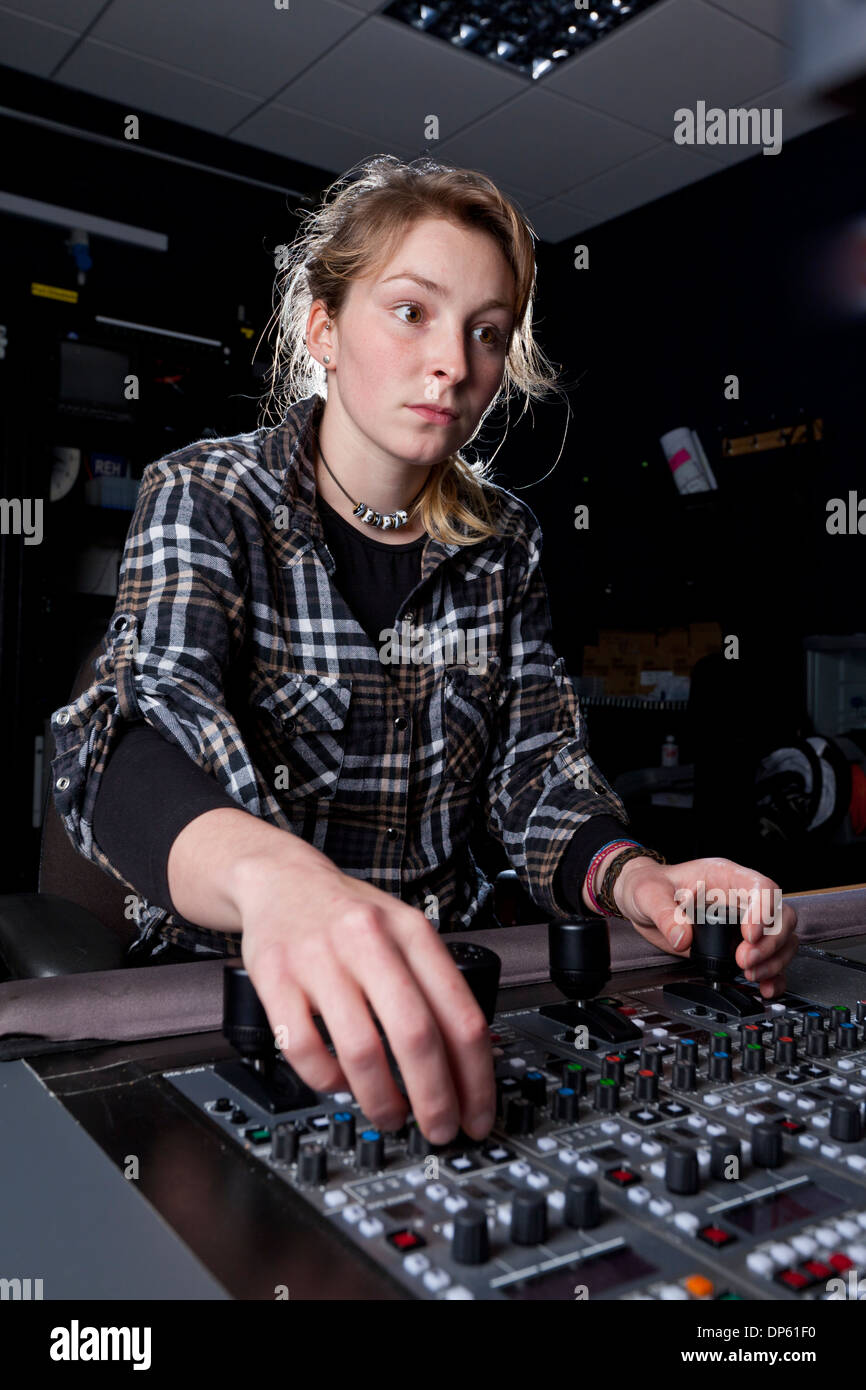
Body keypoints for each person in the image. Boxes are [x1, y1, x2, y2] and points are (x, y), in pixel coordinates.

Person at [50, 155, 798, 1146]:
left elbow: (534, 780)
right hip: (228, 1000)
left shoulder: (506, 542)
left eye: (485, 332)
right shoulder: (209, 492)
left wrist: (634, 879)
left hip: (451, 986)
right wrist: (283, 883)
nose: (453, 361)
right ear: (321, 327)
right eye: (411, 311)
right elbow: (129, 743)